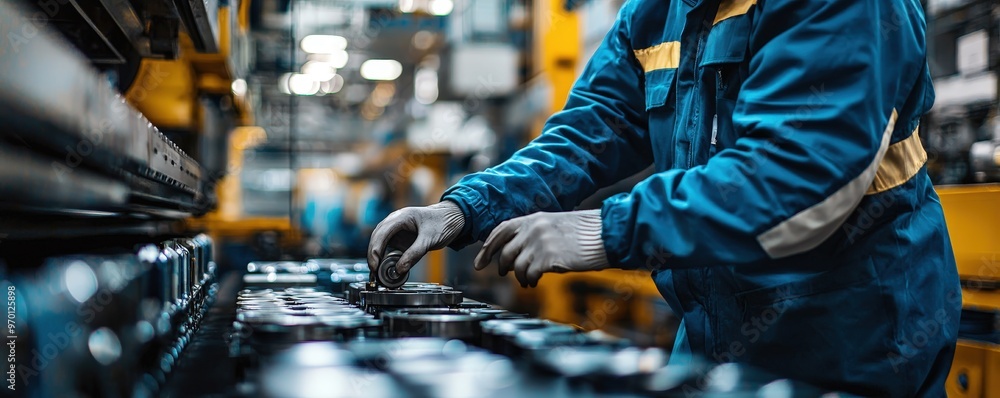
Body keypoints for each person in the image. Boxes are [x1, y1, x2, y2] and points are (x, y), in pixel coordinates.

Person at [368, 0, 960, 395]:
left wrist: (604, 231)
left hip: (851, 335)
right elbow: (590, 129)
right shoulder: (660, 10)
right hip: (714, 328)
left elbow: (796, 177)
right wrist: (464, 208)